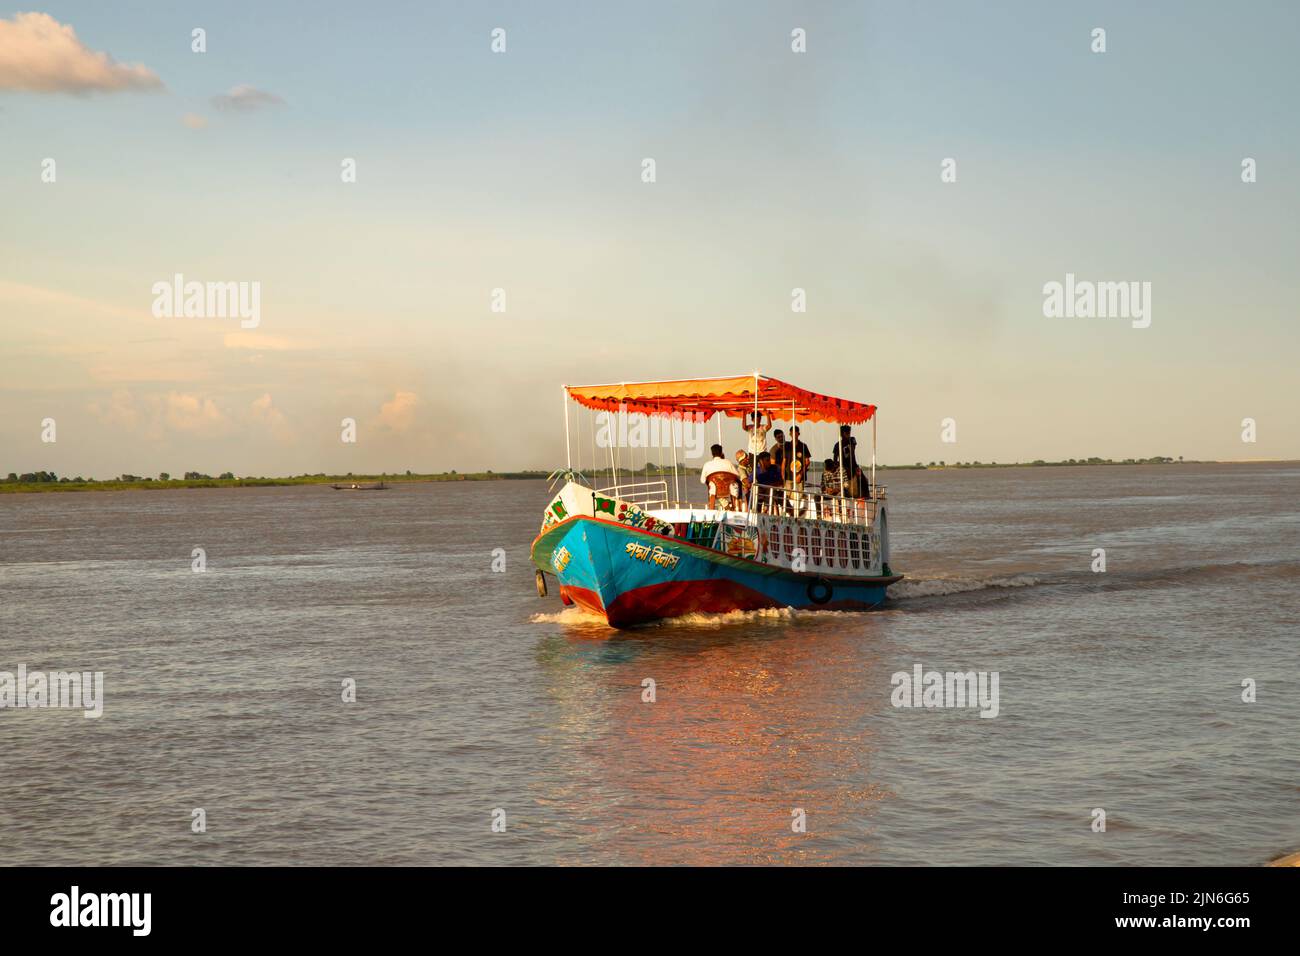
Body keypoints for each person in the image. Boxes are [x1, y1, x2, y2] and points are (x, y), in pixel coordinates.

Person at [700, 443, 741, 509]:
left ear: (712, 454)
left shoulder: (707, 465)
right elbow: (738, 476)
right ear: (721, 453)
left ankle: (712, 508)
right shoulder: (728, 462)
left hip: (715, 490)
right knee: (734, 484)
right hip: (728, 489)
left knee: (712, 486)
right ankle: (734, 507)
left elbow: (702, 480)